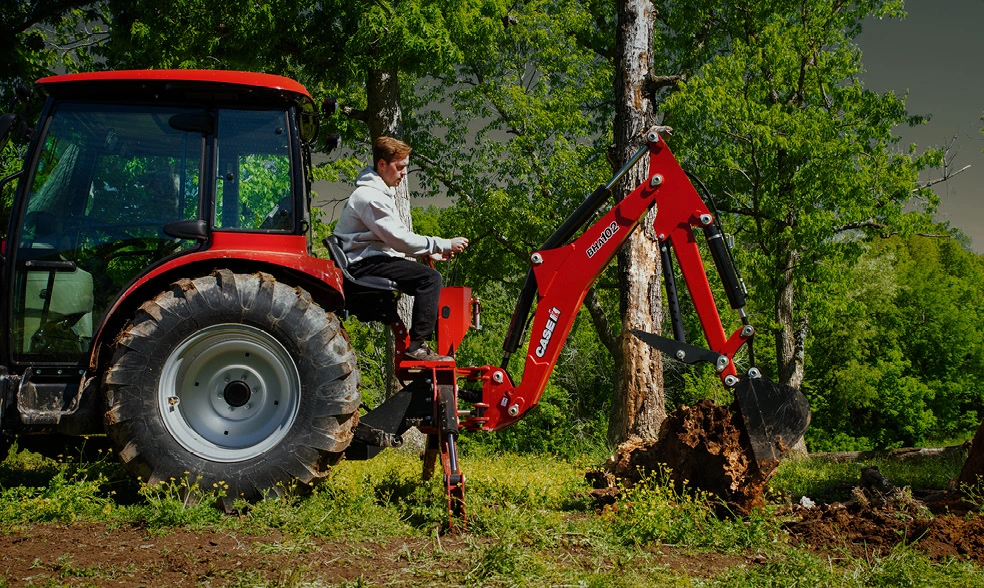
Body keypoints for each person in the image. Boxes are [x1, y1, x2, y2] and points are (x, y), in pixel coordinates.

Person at [334, 136, 468, 361]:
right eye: (400, 167)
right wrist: (443, 243)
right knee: (430, 279)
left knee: (427, 277)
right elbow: (398, 239)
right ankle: (417, 346)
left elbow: (386, 240)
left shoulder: (378, 193)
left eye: (406, 167)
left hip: (368, 258)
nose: (404, 173)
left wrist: (427, 251)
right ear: (382, 165)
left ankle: (417, 343)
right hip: (362, 265)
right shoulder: (369, 197)